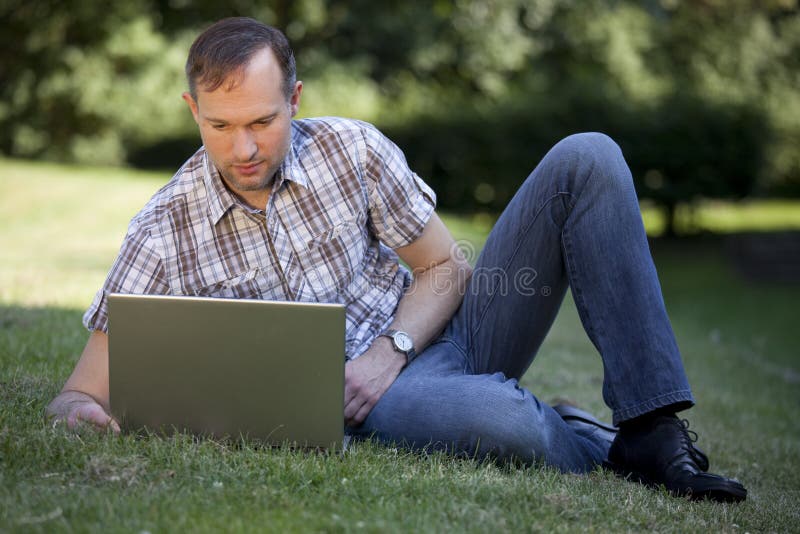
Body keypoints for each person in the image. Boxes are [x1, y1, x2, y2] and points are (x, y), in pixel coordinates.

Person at [46, 17, 747, 502]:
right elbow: (83, 389)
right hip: (372, 401)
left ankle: (651, 427)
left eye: (263, 121)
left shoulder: (353, 151)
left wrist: (392, 347)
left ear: (294, 100)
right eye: (219, 125)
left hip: (440, 335)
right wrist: (77, 409)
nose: (244, 149)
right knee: (497, 424)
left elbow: (445, 268)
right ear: (190, 109)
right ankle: (586, 440)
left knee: (588, 156)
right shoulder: (163, 226)